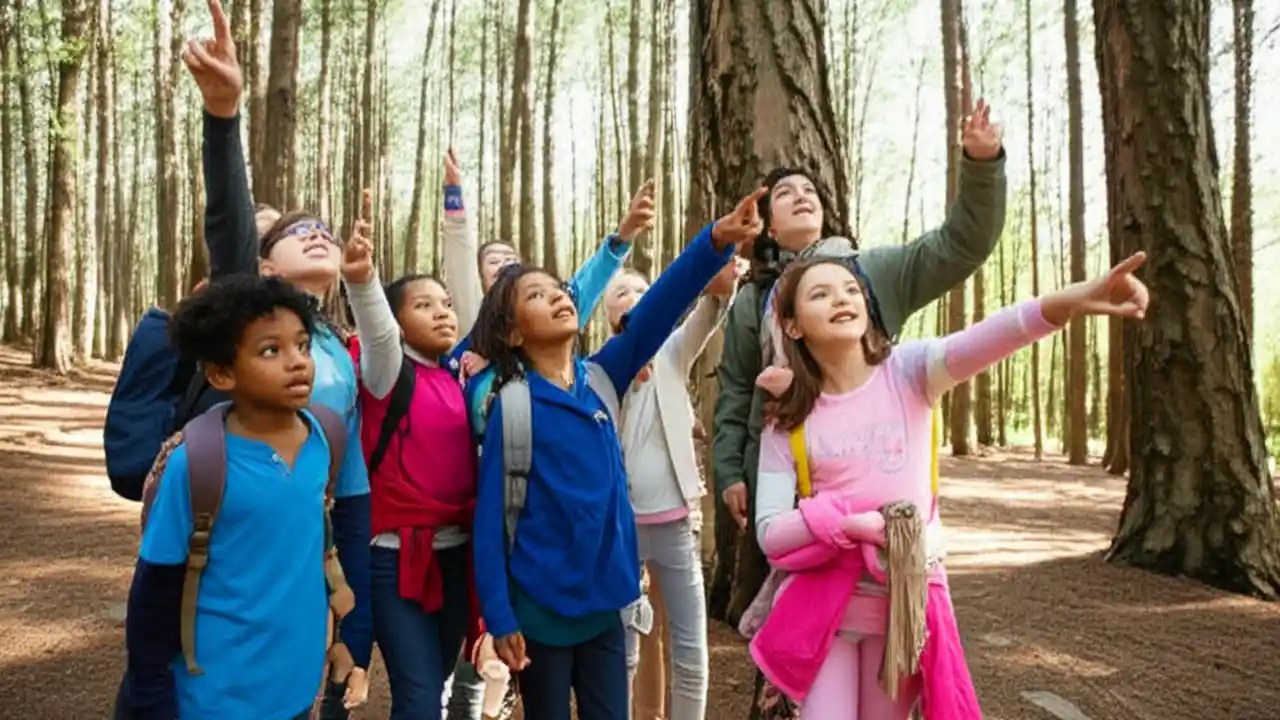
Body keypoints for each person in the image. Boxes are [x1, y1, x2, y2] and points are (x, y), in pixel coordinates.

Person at [750, 253, 1149, 718]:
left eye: (851, 289)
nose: (841, 297)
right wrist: (849, 523)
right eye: (820, 293)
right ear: (793, 326)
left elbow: (994, 335)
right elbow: (770, 533)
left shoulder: (911, 372)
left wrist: (1075, 299)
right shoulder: (787, 419)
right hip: (821, 615)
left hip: (901, 613)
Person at [470, 188, 764, 719]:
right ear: (513, 332)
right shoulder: (512, 409)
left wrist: (716, 240)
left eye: (560, 289)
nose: (559, 296)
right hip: (541, 612)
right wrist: (499, 615)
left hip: (610, 606)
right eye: (537, 296)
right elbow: (490, 523)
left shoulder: (605, 377)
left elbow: (661, 307)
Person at [180, 1, 372, 710]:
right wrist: (224, 115)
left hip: (306, 587)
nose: (317, 233)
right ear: (262, 263)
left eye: (325, 227)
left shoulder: (340, 354)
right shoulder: (243, 306)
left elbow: (349, 499)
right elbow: (230, 220)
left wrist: (360, 625)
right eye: (298, 231)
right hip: (222, 577)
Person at [713, 100, 1008, 533]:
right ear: (769, 227)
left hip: (866, 483)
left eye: (809, 190)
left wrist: (982, 164)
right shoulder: (752, 300)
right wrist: (730, 472)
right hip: (775, 484)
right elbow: (737, 390)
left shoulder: (872, 274)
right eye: (785, 193)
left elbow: (962, 245)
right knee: (780, 598)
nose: (801, 195)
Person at [120, 275, 351, 720]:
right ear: (222, 373)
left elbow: (321, 553)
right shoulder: (198, 462)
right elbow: (154, 593)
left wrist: (342, 639)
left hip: (297, 690)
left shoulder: (325, 438)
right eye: (271, 350)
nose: (297, 362)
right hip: (214, 696)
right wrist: (151, 697)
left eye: (302, 346)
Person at [340, 190, 479, 720]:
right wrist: (361, 279)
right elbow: (376, 333)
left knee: (435, 687)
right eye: (424, 306)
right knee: (421, 697)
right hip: (394, 558)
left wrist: (455, 207)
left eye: (445, 305)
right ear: (399, 323)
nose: (442, 313)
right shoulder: (387, 373)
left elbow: (468, 282)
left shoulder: (458, 376)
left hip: (455, 558)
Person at [601, 260, 741, 720]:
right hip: (620, 528)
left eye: (643, 290)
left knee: (689, 642)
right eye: (621, 293)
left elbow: (706, 316)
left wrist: (720, 287)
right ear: (606, 314)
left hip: (677, 521)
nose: (634, 297)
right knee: (623, 646)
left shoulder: (673, 354)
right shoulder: (597, 372)